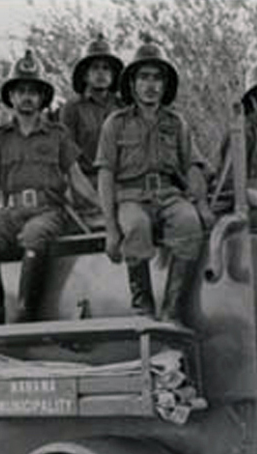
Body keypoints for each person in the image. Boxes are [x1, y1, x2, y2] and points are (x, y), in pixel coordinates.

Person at [0, 50, 99, 325]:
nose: (27, 97)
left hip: (48, 210)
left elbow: (75, 176)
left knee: (35, 236)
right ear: (12, 97)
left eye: (33, 91)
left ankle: (26, 309)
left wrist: (102, 207)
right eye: (20, 91)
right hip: (12, 211)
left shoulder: (57, 134)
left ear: (42, 98)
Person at [95, 35, 215, 323]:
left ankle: (172, 309)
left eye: (157, 78)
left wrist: (200, 205)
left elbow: (193, 166)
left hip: (169, 195)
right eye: (144, 77)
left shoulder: (176, 123)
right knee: (136, 227)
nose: (151, 85)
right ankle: (143, 307)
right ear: (133, 84)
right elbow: (105, 173)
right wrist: (111, 228)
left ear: (165, 85)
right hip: (131, 197)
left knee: (188, 224)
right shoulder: (116, 123)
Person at [59, 34, 124, 190]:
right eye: (95, 68)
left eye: (106, 68)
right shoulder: (72, 108)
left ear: (113, 75)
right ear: (85, 75)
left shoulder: (122, 107)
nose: (101, 73)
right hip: (86, 180)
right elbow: (67, 156)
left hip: (120, 180)